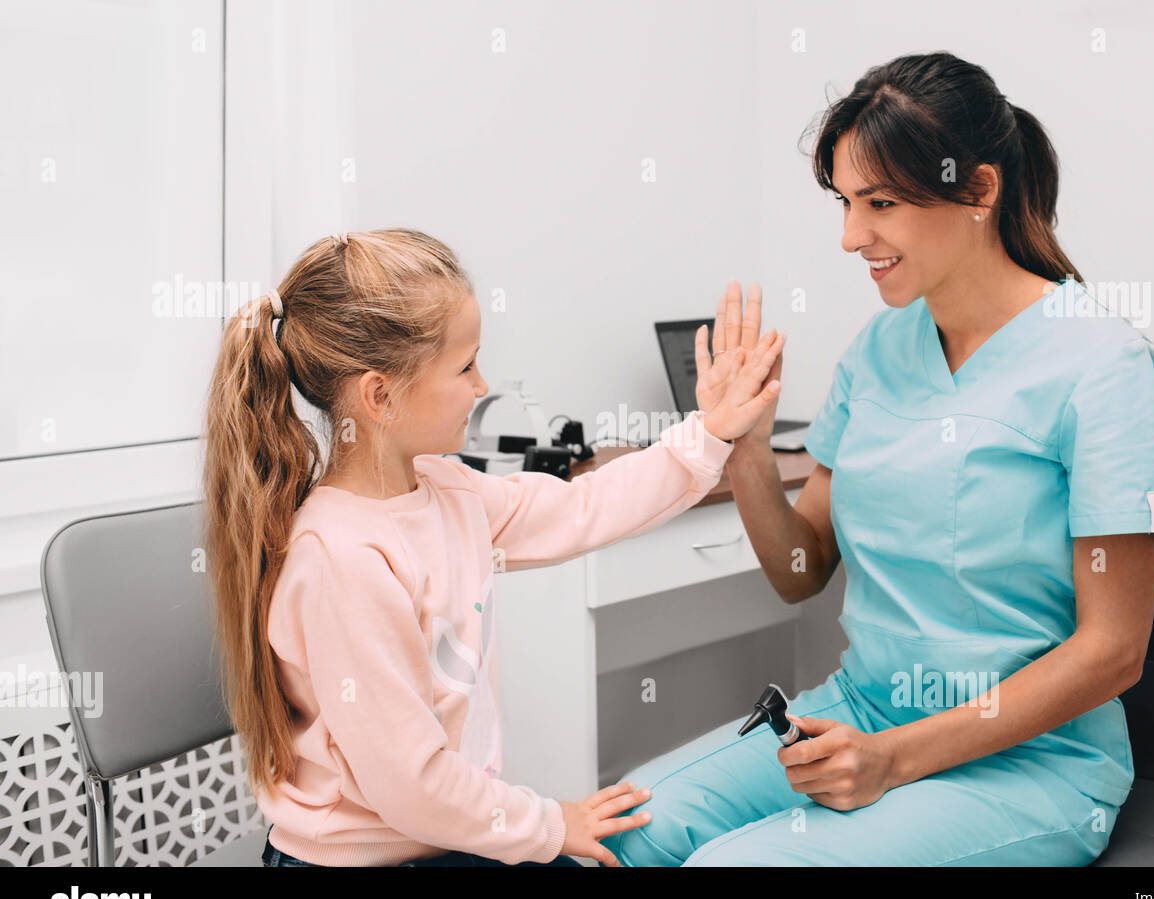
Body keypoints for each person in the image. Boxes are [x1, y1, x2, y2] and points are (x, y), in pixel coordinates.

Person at [602, 51, 1154, 866]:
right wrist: (746, 449)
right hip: (857, 717)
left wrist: (896, 761)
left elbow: (1113, 651)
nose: (850, 237)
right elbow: (802, 570)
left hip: (1029, 764)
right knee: (621, 830)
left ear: (978, 190)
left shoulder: (1103, 364)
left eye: (880, 203)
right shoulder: (879, 348)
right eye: (845, 202)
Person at [200, 228, 784, 866]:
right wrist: (550, 822)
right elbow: (410, 784)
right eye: (464, 366)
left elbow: (579, 509)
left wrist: (710, 433)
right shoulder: (341, 558)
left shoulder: (447, 491)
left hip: (444, 834)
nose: (482, 386)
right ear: (379, 396)